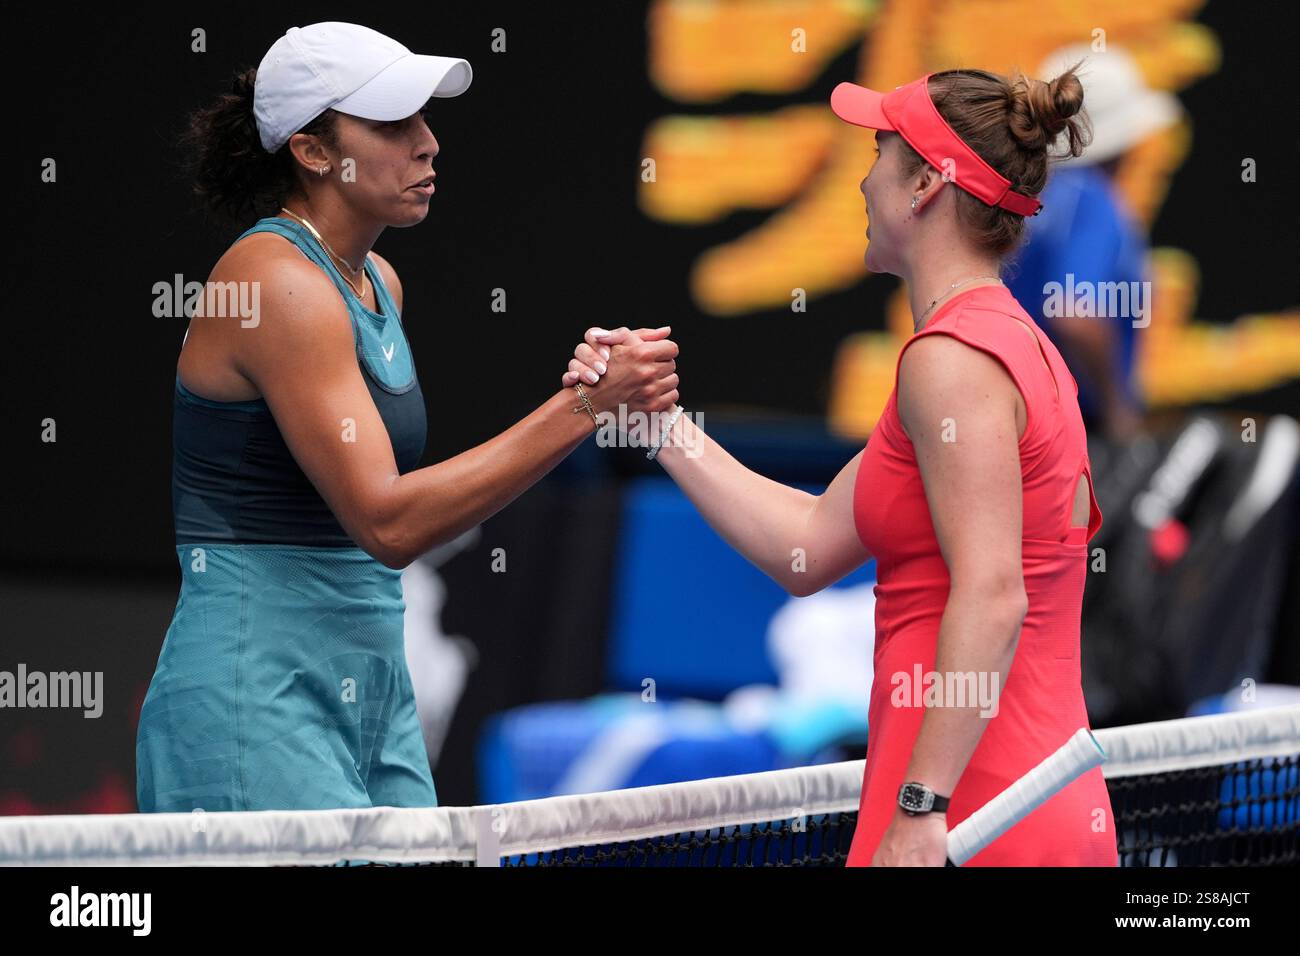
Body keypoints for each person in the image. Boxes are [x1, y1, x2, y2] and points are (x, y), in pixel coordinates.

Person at [567, 66, 1118, 866]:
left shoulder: (952, 363)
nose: (862, 180)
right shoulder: (998, 348)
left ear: (926, 182)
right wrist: (653, 424)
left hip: (973, 817)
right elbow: (810, 545)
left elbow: (995, 594)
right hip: (1013, 804)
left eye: (878, 152)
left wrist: (923, 807)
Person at [136, 22, 679, 813]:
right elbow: (387, 522)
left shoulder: (378, 282)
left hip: (369, 690)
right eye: (393, 124)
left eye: (424, 120)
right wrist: (587, 406)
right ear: (313, 150)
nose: (428, 144)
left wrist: (586, 401)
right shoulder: (274, 281)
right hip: (252, 697)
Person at [1002, 45, 1181, 442]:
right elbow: (1074, 312)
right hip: (1074, 430)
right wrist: (1119, 412)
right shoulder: (1093, 201)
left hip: (1015, 422)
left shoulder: (1026, 195)